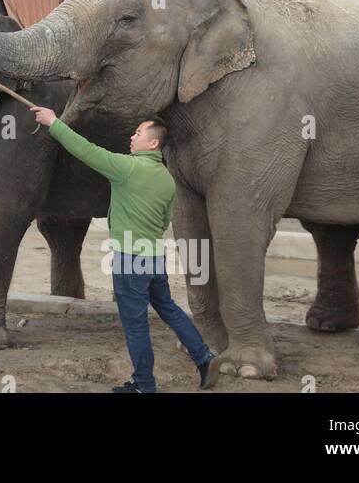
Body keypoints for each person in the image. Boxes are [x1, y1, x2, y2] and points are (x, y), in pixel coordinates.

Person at [30, 106, 220, 393]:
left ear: (153, 143)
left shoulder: (127, 169)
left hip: (130, 259)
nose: (132, 137)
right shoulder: (167, 179)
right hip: (154, 255)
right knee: (168, 308)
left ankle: (144, 385)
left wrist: (54, 123)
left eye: (138, 133)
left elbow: (86, 150)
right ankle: (204, 358)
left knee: (135, 325)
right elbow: (164, 219)